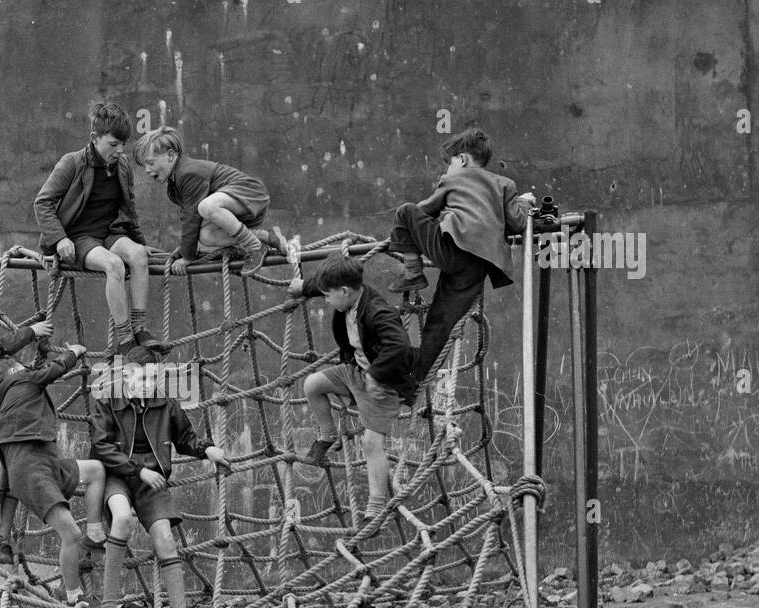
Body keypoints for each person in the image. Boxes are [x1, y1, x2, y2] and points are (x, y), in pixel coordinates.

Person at [0, 279, 109, 565]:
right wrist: (32, 331)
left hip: (0, 405)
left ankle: (3, 539)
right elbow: (3, 345)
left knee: (11, 471)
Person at [89, 345, 228, 608]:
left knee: (165, 538)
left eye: (154, 378)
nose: (149, 385)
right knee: (121, 518)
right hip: (117, 475)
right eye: (143, 379)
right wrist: (138, 470)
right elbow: (101, 446)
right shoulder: (107, 400)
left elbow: (185, 437)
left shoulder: (165, 403)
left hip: (152, 480)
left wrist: (207, 449)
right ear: (126, 375)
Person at [388, 127, 531, 386]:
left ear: (462, 159)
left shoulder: (453, 180)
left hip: (452, 250)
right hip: (478, 266)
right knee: (443, 321)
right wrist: (524, 202)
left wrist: (418, 233)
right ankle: (419, 373)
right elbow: (518, 222)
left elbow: (423, 211)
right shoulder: (505, 184)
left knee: (405, 212)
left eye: (450, 162)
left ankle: (413, 271)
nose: (448, 168)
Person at [289, 255, 416, 521]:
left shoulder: (377, 311)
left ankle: (376, 506)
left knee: (371, 443)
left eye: (327, 296)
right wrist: (303, 288)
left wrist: (376, 375)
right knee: (312, 384)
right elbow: (324, 286)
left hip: (384, 383)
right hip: (356, 371)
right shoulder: (347, 294)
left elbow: (399, 346)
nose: (326, 300)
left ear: (344, 291)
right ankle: (328, 435)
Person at [0, 342, 107, 606]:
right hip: (32, 472)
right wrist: (74, 352)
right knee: (71, 534)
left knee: (96, 470)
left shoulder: (13, 392)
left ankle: (95, 531)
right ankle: (72, 596)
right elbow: (51, 371)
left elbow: (38, 372)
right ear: (13, 370)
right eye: (20, 365)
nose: (25, 366)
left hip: (47, 462)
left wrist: (42, 354)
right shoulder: (22, 380)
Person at [33, 101, 162, 354]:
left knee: (138, 256)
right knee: (114, 265)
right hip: (79, 238)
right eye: (113, 144)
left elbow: (130, 209)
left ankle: (140, 329)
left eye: (123, 144)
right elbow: (43, 203)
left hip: (111, 233)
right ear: (95, 138)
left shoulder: (123, 166)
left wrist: (140, 243)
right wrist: (59, 239)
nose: (120, 150)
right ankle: (125, 338)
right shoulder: (72, 162)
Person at [136, 126, 273, 278]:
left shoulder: (188, 172)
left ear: (170, 155)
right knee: (206, 235)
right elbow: (189, 220)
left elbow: (192, 216)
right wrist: (185, 248)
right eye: (144, 165)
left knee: (206, 207)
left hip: (250, 192)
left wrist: (187, 257)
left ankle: (254, 246)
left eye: (151, 163)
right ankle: (264, 236)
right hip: (236, 205)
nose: (147, 170)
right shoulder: (175, 185)